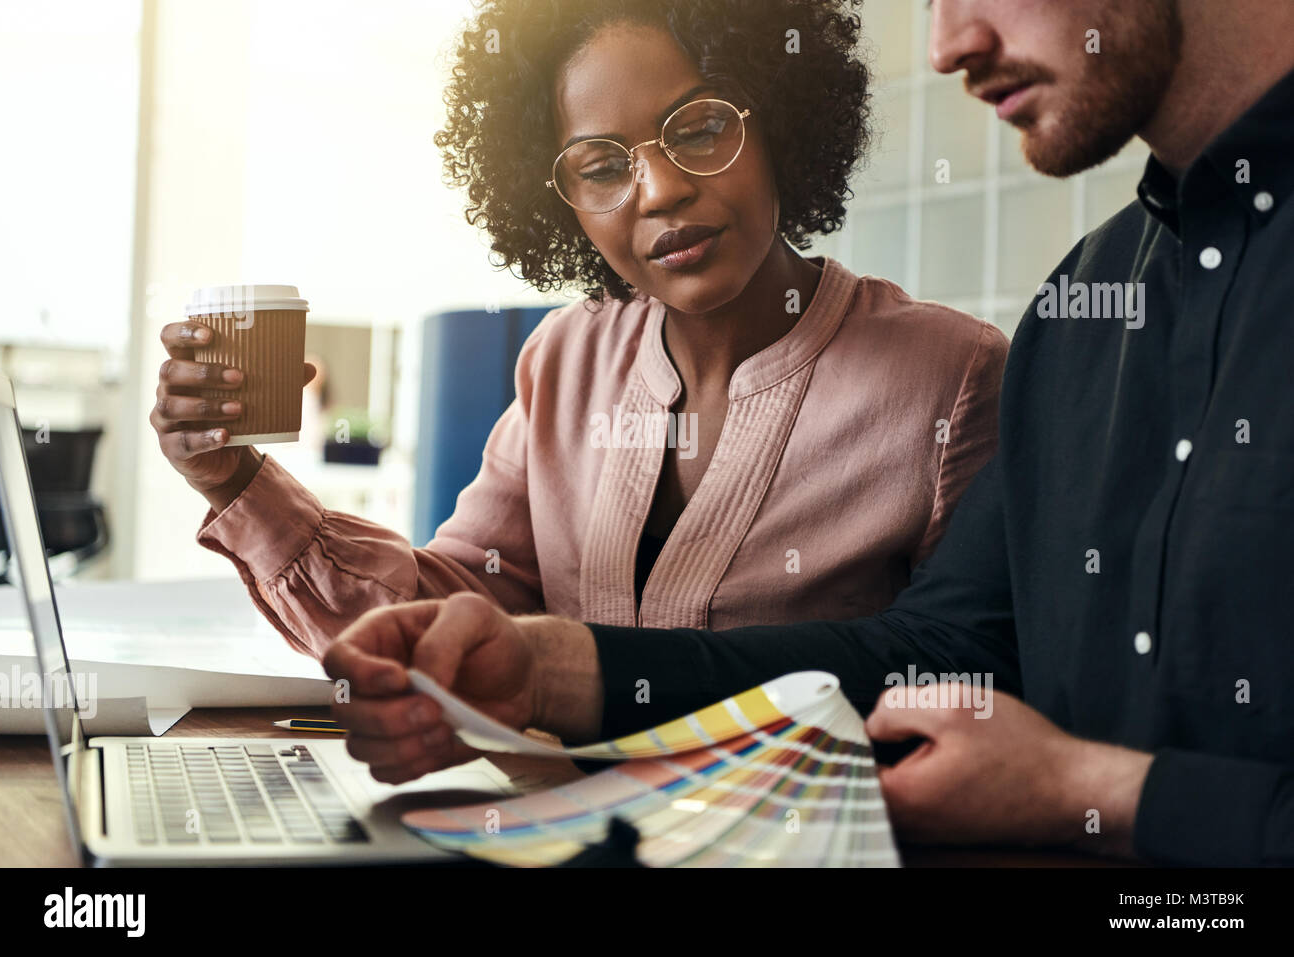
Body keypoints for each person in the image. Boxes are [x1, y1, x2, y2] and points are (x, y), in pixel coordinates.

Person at [322, 0, 1294, 867]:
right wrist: (552, 671)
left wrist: (1086, 791)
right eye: (603, 164)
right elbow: (941, 649)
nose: (946, 44)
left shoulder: (969, 365)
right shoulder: (1083, 309)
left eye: (702, 127)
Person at [148, 0, 1005, 657]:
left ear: (781, 121)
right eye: (601, 167)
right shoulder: (564, 358)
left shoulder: (953, 376)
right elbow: (446, 618)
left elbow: (968, 670)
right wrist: (237, 481)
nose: (660, 190)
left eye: (701, 127)